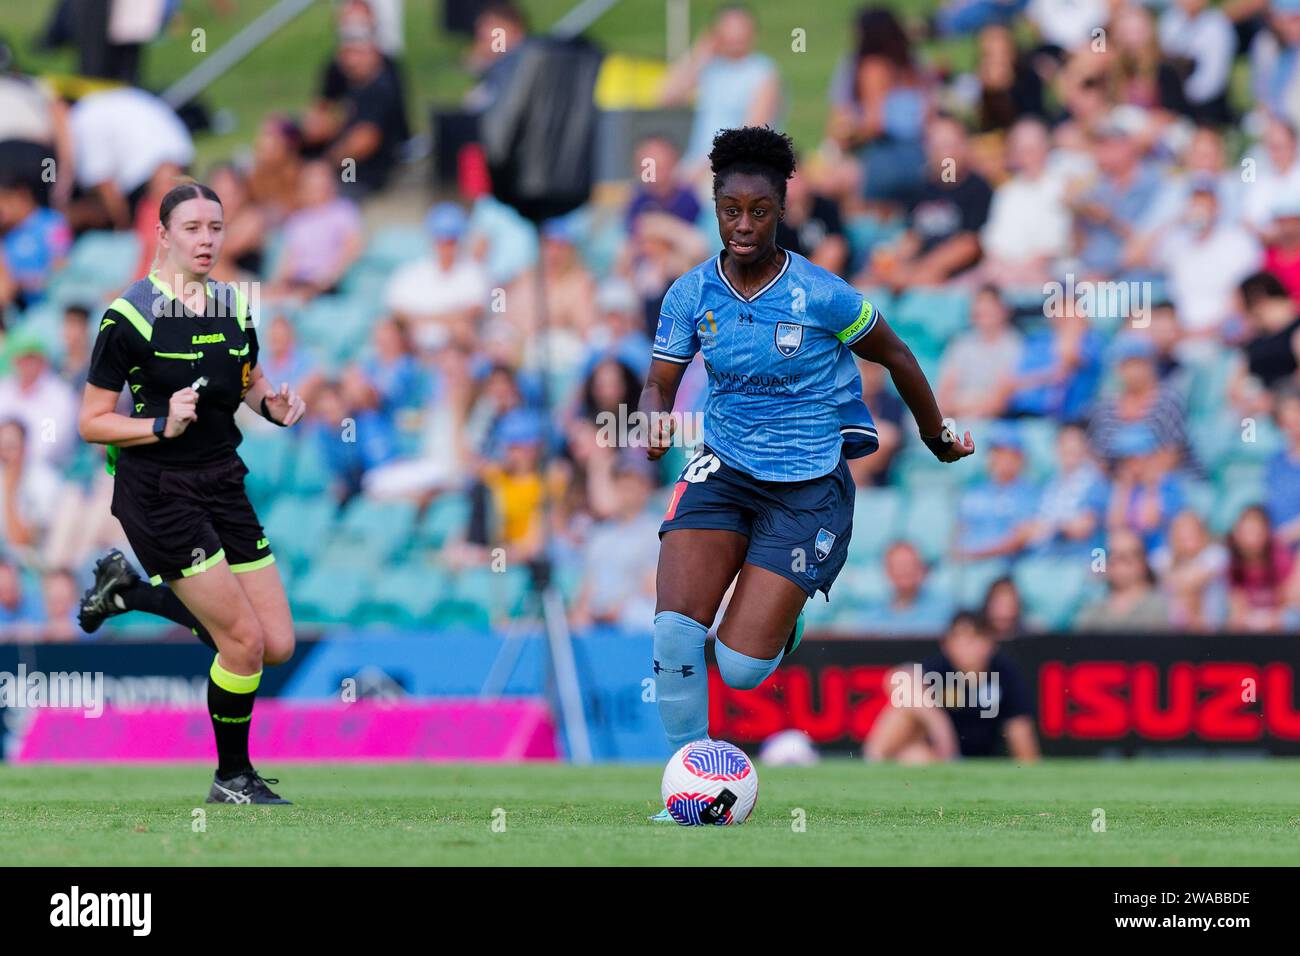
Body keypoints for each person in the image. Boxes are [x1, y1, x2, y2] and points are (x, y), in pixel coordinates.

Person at [640, 126, 974, 819]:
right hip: (724, 468)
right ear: (714, 204)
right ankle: (686, 791)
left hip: (808, 488)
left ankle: (780, 625)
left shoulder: (821, 295)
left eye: (758, 211)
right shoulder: (689, 292)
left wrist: (936, 435)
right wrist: (651, 419)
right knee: (673, 632)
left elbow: (900, 356)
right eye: (730, 209)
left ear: (781, 209)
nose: (742, 224)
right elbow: (658, 381)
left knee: (740, 670)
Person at [74, 181, 307, 805]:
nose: (206, 240)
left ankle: (130, 593)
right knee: (242, 643)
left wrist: (272, 406)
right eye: (194, 228)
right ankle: (231, 779)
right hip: (157, 491)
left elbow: (247, 374)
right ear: (164, 234)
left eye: (216, 228)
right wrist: (157, 424)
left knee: (276, 644)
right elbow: (91, 421)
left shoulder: (233, 303)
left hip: (222, 479)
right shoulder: (129, 316)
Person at [865, 611, 1038, 763]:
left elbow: (1020, 731)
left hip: (980, 759)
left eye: (974, 639)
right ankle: (872, 766)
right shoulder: (940, 668)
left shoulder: (1004, 672)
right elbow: (898, 678)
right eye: (958, 639)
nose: (966, 647)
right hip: (941, 756)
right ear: (947, 644)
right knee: (902, 712)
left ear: (990, 643)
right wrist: (941, 727)